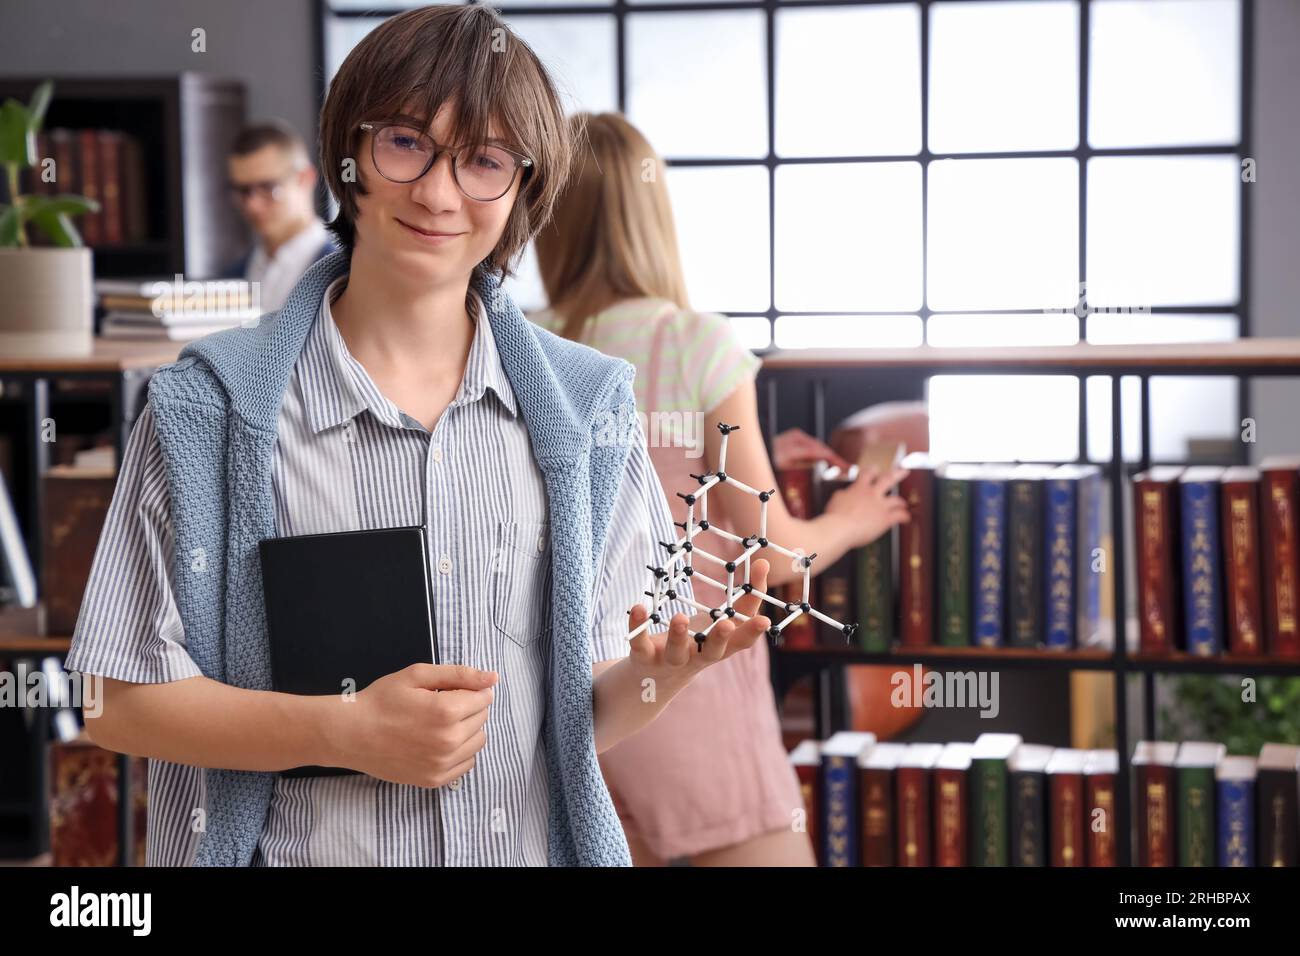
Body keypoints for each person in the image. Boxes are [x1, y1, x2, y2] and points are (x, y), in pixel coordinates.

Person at [67, 5, 774, 867]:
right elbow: (113, 696)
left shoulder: (588, 412)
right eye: (406, 143)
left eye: (484, 161)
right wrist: (343, 730)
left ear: (523, 189)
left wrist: (668, 673)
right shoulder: (207, 407)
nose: (439, 193)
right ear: (347, 156)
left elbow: (584, 720)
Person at [532, 112, 910, 866]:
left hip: (566, 697)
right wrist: (850, 518)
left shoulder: (527, 340)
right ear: (652, 213)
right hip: (683, 679)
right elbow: (776, 555)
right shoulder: (692, 341)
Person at [223, 120, 338, 309]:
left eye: (268, 188)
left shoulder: (346, 273)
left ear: (304, 179)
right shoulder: (231, 277)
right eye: (244, 191)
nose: (253, 205)